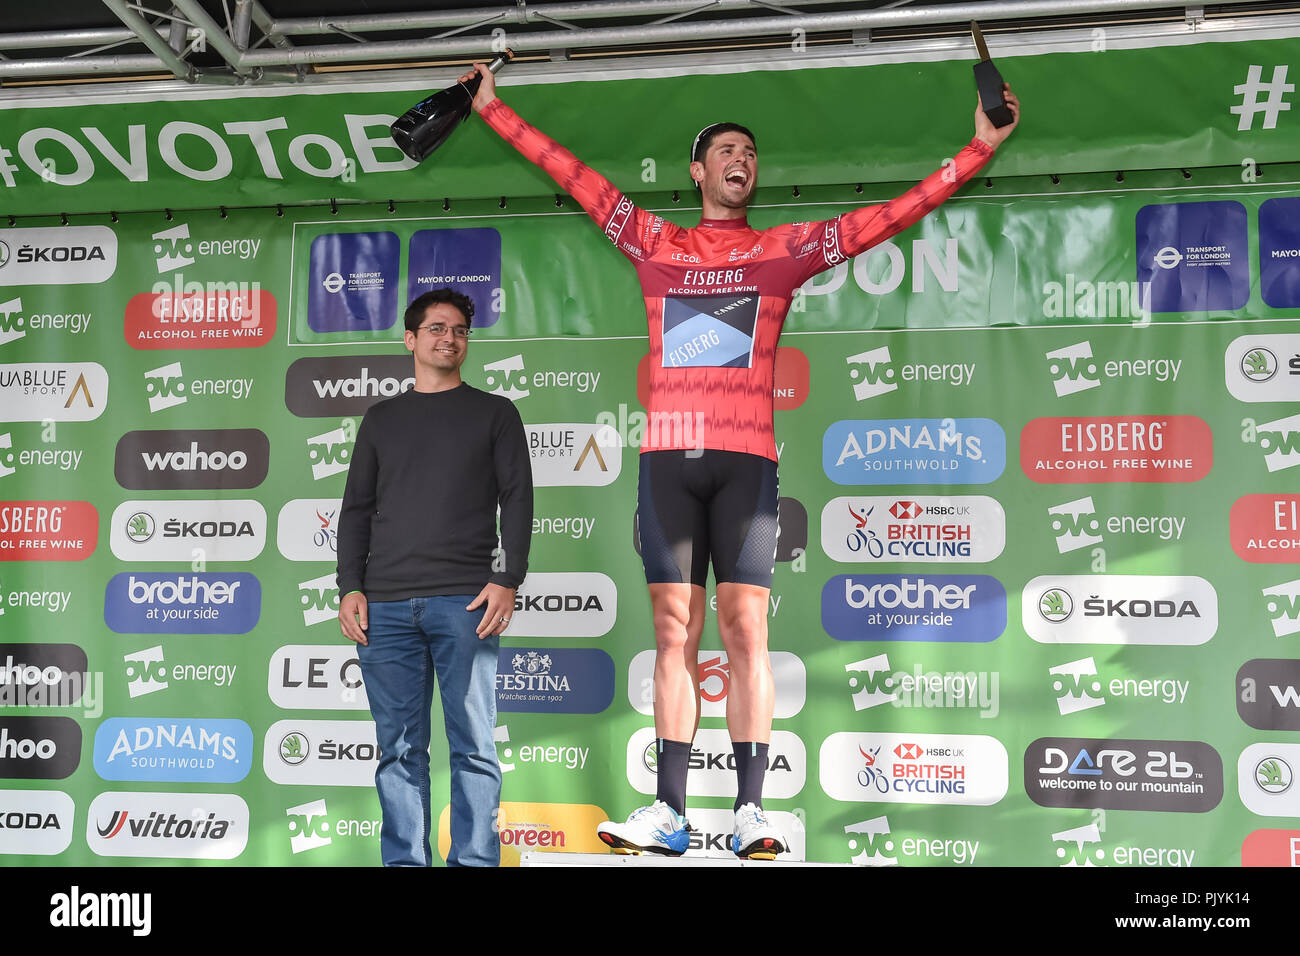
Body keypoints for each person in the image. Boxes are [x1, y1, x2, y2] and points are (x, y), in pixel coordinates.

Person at [461, 62, 1020, 859]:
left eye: (751, 153)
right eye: (726, 149)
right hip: (666, 465)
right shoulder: (655, 242)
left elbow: (887, 219)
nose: (741, 160)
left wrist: (976, 150)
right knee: (673, 633)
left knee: (745, 630)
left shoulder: (782, 250)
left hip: (745, 463)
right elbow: (574, 175)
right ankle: (669, 811)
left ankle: (752, 810)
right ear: (698, 170)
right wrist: (490, 109)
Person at [336, 287, 533, 867]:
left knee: (474, 747)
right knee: (398, 751)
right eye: (437, 328)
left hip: (466, 602)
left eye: (460, 331)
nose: (450, 338)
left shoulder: (496, 412)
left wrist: (507, 577)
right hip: (387, 607)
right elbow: (355, 509)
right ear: (411, 339)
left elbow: (516, 499)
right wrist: (350, 586)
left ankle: (473, 861)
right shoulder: (380, 419)